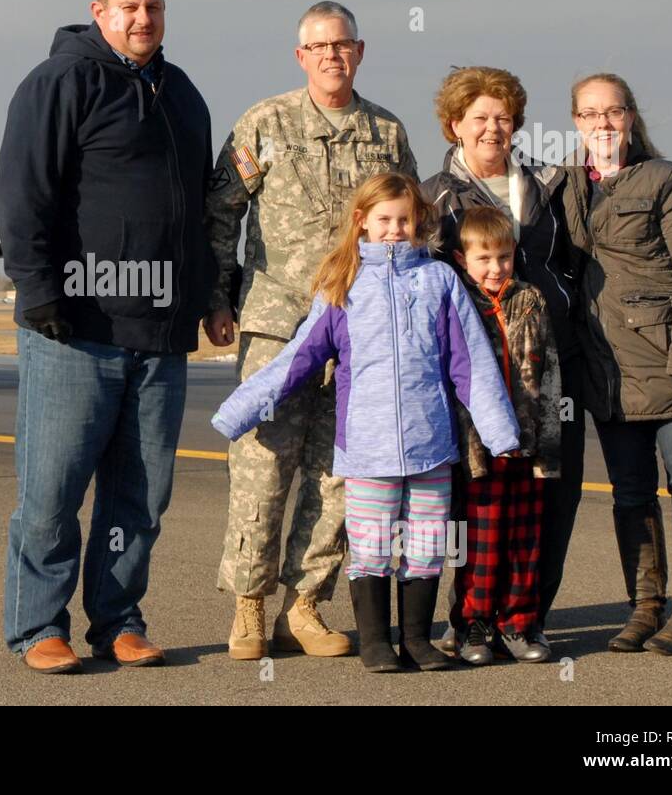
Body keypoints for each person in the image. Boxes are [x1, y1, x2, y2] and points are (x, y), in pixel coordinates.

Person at [0, 0, 216, 673]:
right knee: (53, 489)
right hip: (76, 329)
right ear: (99, 12)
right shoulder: (60, 82)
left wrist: (207, 296)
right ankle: (38, 627)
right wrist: (37, 292)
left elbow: (199, 215)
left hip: (160, 333)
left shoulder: (183, 96)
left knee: (140, 495)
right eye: (127, 7)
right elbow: (23, 193)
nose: (141, 19)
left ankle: (118, 620)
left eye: (152, 7)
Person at [211, 174, 520, 673]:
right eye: (385, 220)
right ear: (363, 223)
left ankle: (416, 640)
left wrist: (499, 430)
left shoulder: (439, 280)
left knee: (424, 548)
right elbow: (298, 359)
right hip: (367, 449)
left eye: (404, 220)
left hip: (431, 445)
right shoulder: (343, 286)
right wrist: (240, 409)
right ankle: (377, 641)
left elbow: (471, 364)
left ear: (417, 221)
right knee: (372, 546)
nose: (395, 229)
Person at [203, 1, 418, 660]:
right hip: (278, 321)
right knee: (263, 465)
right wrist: (219, 294)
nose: (331, 55)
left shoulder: (385, 132)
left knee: (341, 473)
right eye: (318, 46)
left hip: (362, 333)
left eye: (342, 44)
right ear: (301, 56)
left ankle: (304, 601)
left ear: (359, 50)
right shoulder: (264, 123)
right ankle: (249, 603)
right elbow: (221, 212)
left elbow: (407, 222)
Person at [561, 73, 672, 655]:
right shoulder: (565, 184)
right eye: (590, 114)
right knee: (629, 492)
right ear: (577, 122)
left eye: (613, 112)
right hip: (609, 373)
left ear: (631, 116)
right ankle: (645, 606)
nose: (602, 124)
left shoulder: (669, 179)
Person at [420, 66, 583, 653]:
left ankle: (527, 617)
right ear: (455, 125)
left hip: (546, 370)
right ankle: (470, 621)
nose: (493, 128)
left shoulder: (547, 183)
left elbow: (573, 260)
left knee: (546, 503)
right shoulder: (436, 195)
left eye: (504, 117)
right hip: (471, 377)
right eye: (480, 117)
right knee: (477, 508)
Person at [446, 207, 561, 665]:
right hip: (478, 448)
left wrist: (548, 447)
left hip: (527, 444)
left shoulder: (530, 300)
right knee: (480, 540)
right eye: (485, 259)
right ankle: (473, 625)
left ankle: (519, 621)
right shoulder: (457, 301)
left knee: (524, 538)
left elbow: (549, 374)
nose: (496, 269)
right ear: (462, 259)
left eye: (505, 257)